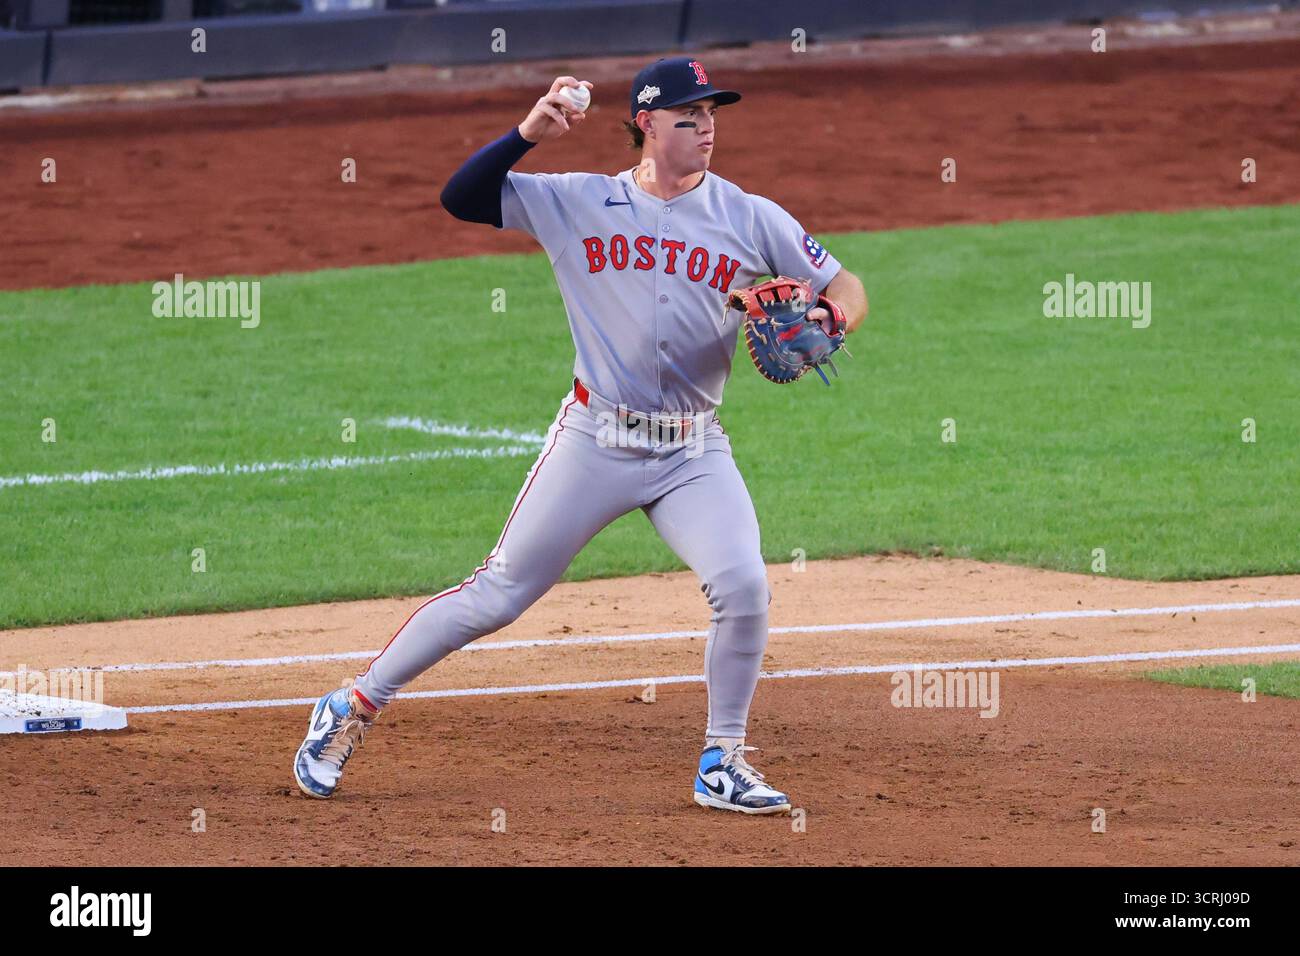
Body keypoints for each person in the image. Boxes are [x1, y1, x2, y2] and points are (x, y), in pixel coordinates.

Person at [294, 57, 867, 814]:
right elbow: (461, 198)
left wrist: (830, 319)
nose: (706, 126)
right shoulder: (577, 203)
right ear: (647, 125)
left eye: (713, 113)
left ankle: (721, 760)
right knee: (498, 594)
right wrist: (529, 132)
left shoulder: (749, 214)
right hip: (595, 440)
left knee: (744, 588)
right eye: (689, 115)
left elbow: (846, 285)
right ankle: (352, 707)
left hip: (693, 450)